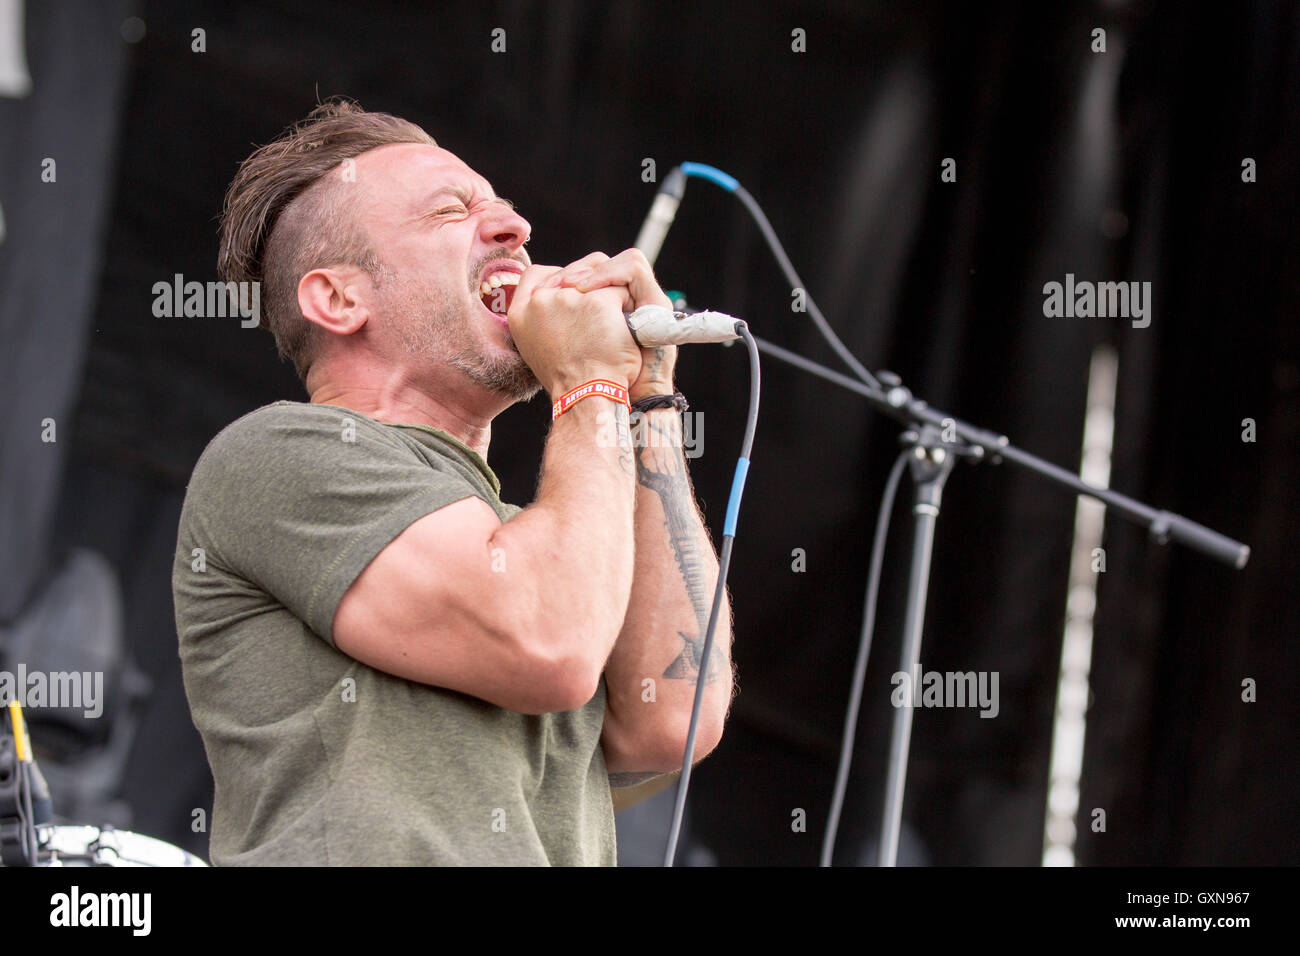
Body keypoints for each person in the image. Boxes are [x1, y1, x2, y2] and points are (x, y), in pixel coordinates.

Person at [171, 100, 734, 865]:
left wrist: (651, 403)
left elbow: (676, 717)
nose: (516, 229)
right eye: (451, 211)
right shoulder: (275, 454)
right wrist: (590, 384)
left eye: (503, 208)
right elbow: (549, 642)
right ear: (338, 298)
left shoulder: (545, 541)